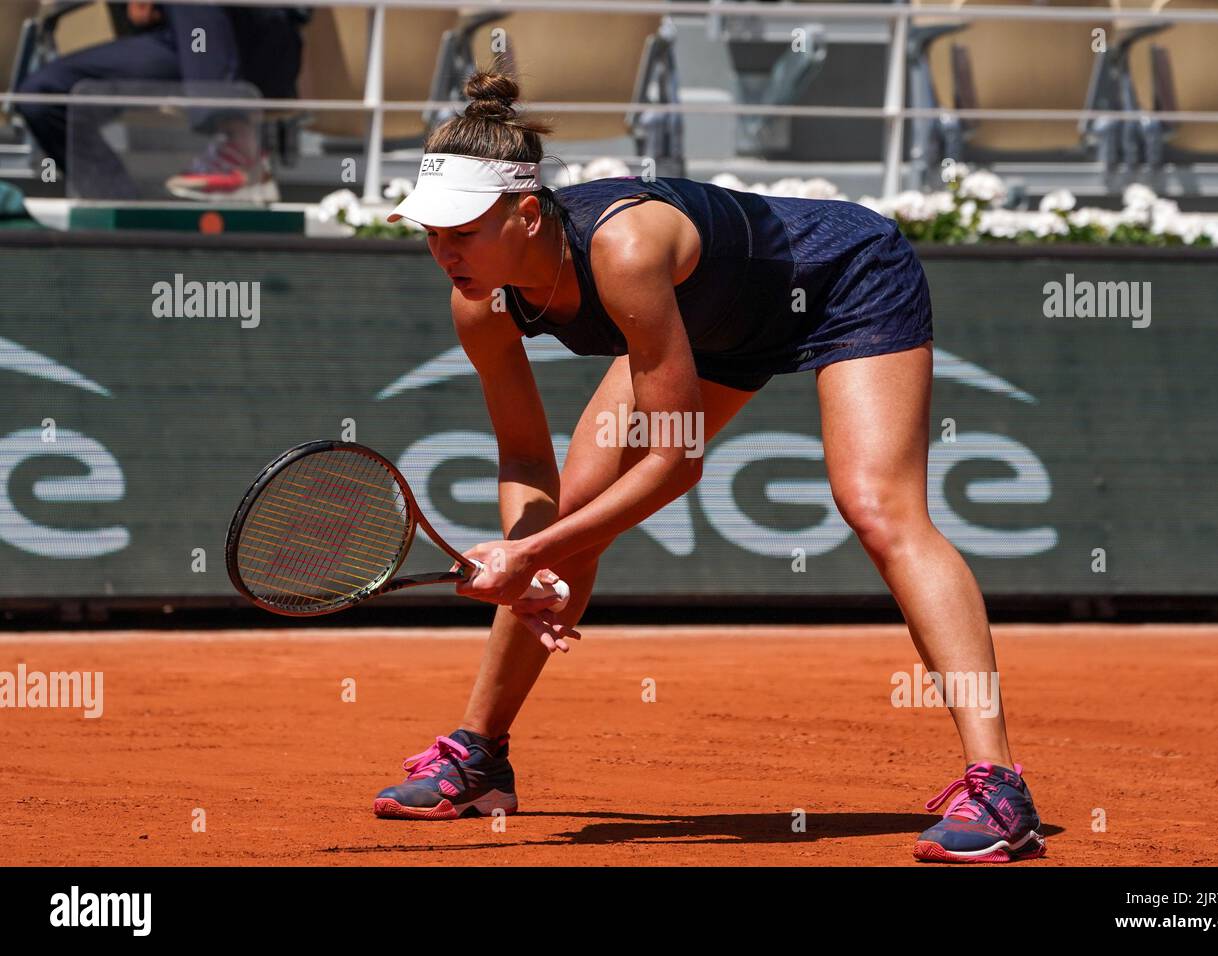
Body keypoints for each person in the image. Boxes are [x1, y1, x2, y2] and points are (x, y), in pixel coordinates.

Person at [374, 68, 1047, 864]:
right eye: (431, 232)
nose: (442, 252)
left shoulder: (621, 250)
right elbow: (526, 457)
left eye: (462, 232)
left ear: (526, 215)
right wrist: (530, 552)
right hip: (703, 326)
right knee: (571, 519)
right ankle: (481, 756)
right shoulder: (478, 301)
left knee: (876, 506)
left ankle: (1000, 786)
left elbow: (677, 462)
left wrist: (528, 556)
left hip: (843, 281)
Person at [15, 3, 303, 200]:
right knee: (42, 96)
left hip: (258, 37)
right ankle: (123, 215)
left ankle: (239, 152)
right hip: (179, 40)